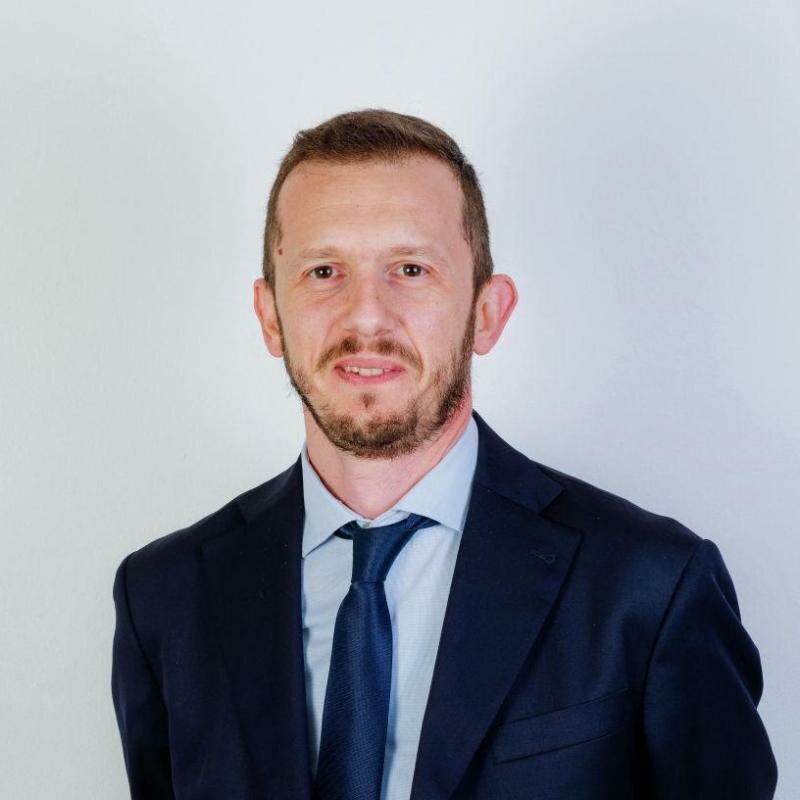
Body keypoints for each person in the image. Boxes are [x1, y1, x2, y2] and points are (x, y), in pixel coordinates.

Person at [111, 109, 777, 800]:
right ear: (270, 316)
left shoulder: (651, 587)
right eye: (324, 270)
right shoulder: (164, 598)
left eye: (410, 268)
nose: (366, 316)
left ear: (487, 312)